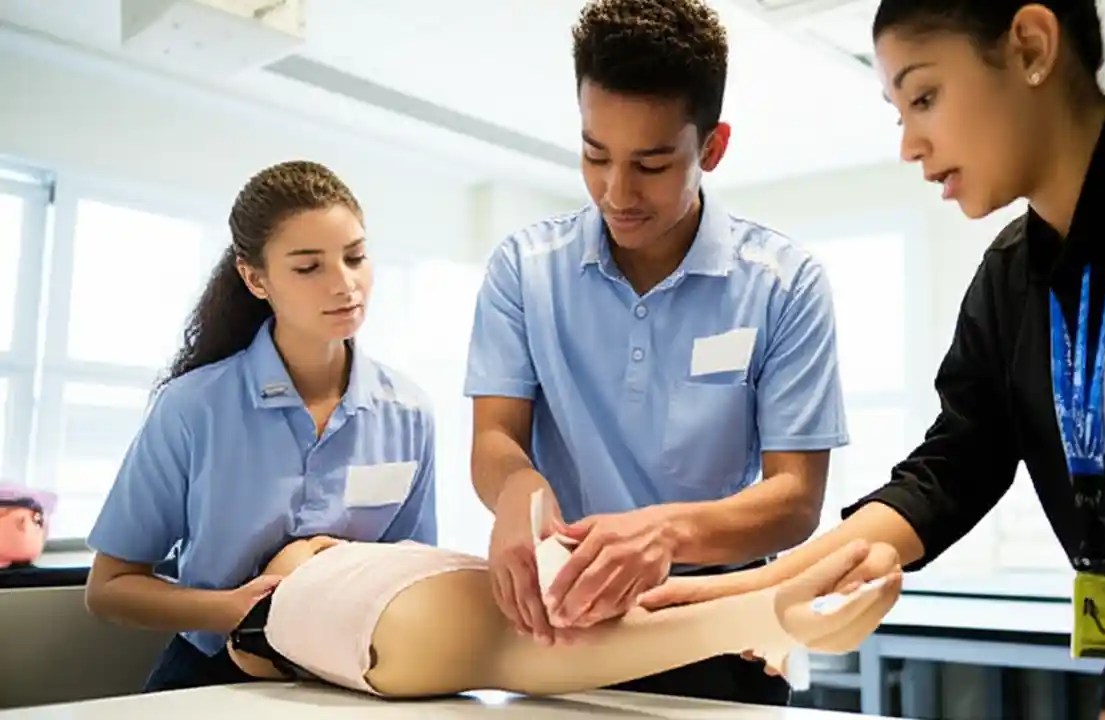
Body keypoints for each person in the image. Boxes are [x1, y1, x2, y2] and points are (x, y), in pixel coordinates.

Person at [639, 1, 1105, 718]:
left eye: (925, 97)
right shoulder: (1011, 276)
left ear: (1032, 46)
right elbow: (954, 464)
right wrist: (761, 587)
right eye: (899, 112)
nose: (910, 144)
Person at [463, 0, 853, 706]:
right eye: (593, 154)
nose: (617, 192)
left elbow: (797, 497)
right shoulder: (524, 269)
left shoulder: (784, 284)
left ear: (712, 147)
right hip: (563, 634)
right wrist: (518, 495)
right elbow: (495, 439)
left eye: (650, 163)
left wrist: (667, 534)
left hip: (718, 628)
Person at [83, 160, 438, 693]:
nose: (345, 284)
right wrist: (231, 610)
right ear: (256, 278)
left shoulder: (409, 412)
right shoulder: (192, 408)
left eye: (356, 256)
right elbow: (109, 588)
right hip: (209, 676)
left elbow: (413, 574)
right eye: (308, 267)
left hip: (350, 678)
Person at [223, 532, 902, 698]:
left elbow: (253, 649)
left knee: (532, 650)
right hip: (441, 587)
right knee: (592, 627)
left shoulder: (275, 610)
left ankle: (761, 613)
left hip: (408, 617)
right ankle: (763, 611)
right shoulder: (319, 568)